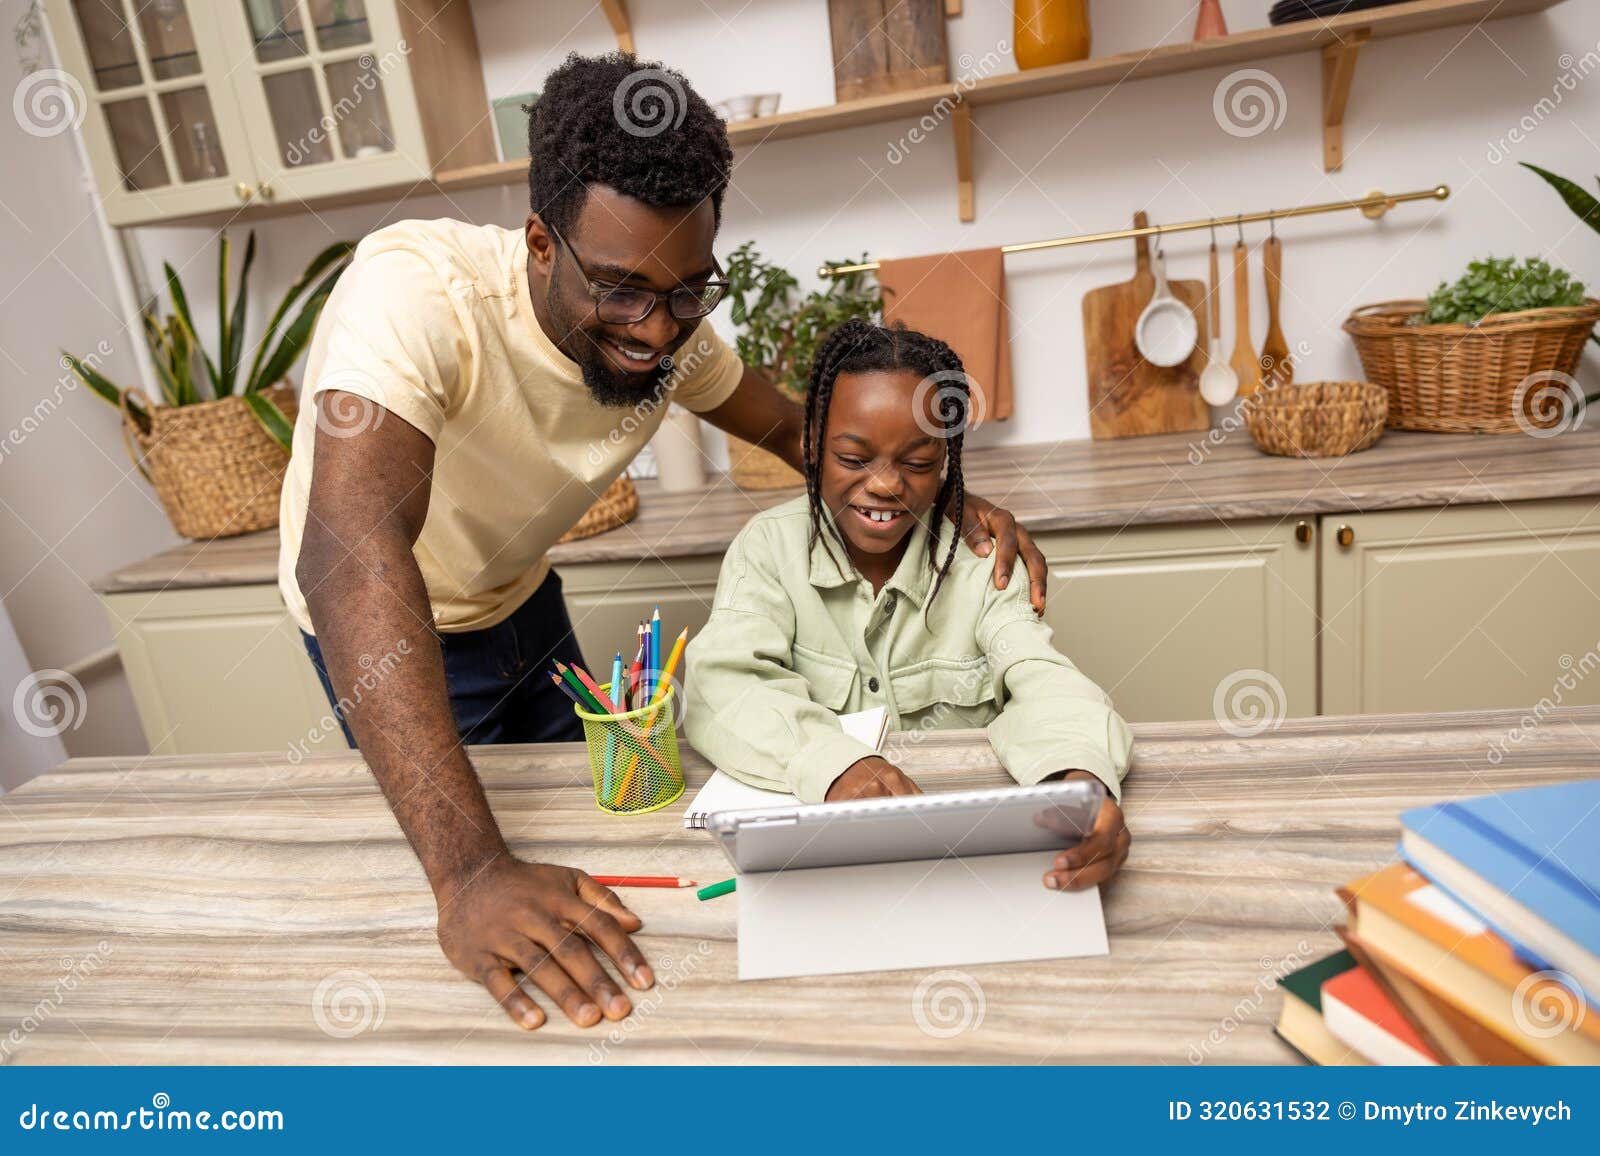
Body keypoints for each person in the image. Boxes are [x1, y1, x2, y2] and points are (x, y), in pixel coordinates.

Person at [280, 53, 1051, 1032]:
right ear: (538, 244)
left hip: (520, 601)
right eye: (619, 290)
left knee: (597, 852)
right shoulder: (415, 293)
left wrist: (943, 496)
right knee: (478, 907)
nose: (653, 332)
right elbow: (349, 555)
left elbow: (799, 438)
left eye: (688, 290)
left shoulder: (671, 329)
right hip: (391, 631)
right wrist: (470, 873)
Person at [686, 320, 1133, 891]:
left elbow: (1043, 680)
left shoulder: (982, 561)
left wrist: (1081, 783)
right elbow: (722, 686)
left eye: (918, 464)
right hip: (825, 863)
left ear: (947, 464)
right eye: (853, 458)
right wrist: (833, 764)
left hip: (969, 865)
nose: (886, 484)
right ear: (811, 446)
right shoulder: (768, 549)